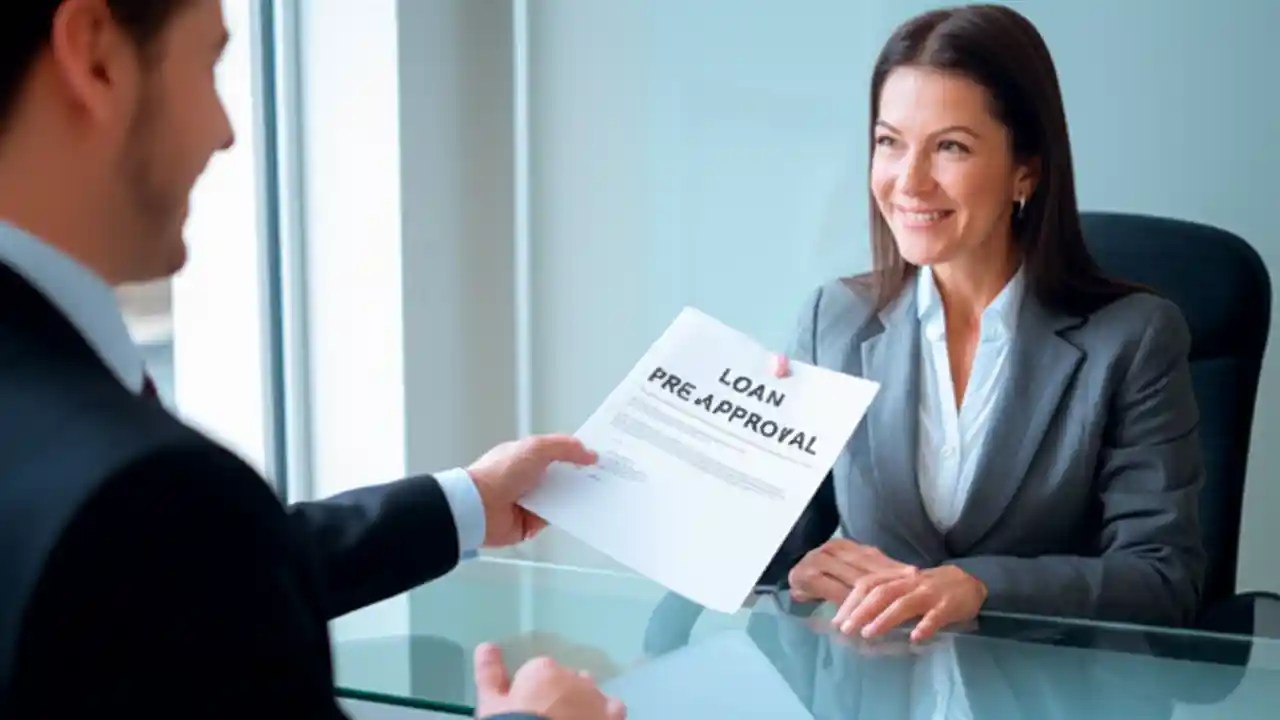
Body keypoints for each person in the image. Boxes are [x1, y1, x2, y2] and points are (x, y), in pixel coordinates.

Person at [0, 2, 624, 718]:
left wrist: (467, 502)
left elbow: (187, 585)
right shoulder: (151, 494)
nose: (226, 132)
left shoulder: (124, 498)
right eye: (209, 64)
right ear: (96, 56)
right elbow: (168, 559)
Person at [764, 3, 1206, 643]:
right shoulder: (832, 320)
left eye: (950, 147)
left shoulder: (1133, 338)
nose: (909, 182)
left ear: (1025, 169)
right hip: (878, 692)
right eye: (890, 142)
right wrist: (787, 553)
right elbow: (770, 561)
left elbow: (1164, 579)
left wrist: (983, 587)